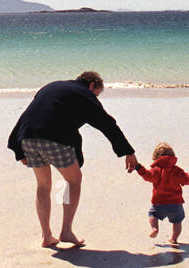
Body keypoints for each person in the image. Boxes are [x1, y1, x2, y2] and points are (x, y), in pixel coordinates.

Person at [8, 71, 138, 248]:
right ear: (92, 85)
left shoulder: (52, 86)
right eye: (97, 95)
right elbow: (107, 124)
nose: (96, 99)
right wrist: (127, 151)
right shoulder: (85, 94)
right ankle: (66, 232)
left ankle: (46, 236)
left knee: (43, 185)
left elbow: (29, 115)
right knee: (74, 181)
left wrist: (18, 149)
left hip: (27, 138)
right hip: (53, 138)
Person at [133, 142, 189, 246]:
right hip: (176, 204)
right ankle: (173, 239)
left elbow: (147, 175)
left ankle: (155, 229)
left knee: (152, 214)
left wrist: (139, 168)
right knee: (177, 221)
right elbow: (186, 180)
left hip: (159, 203)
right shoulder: (177, 170)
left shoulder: (156, 170)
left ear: (156, 157)